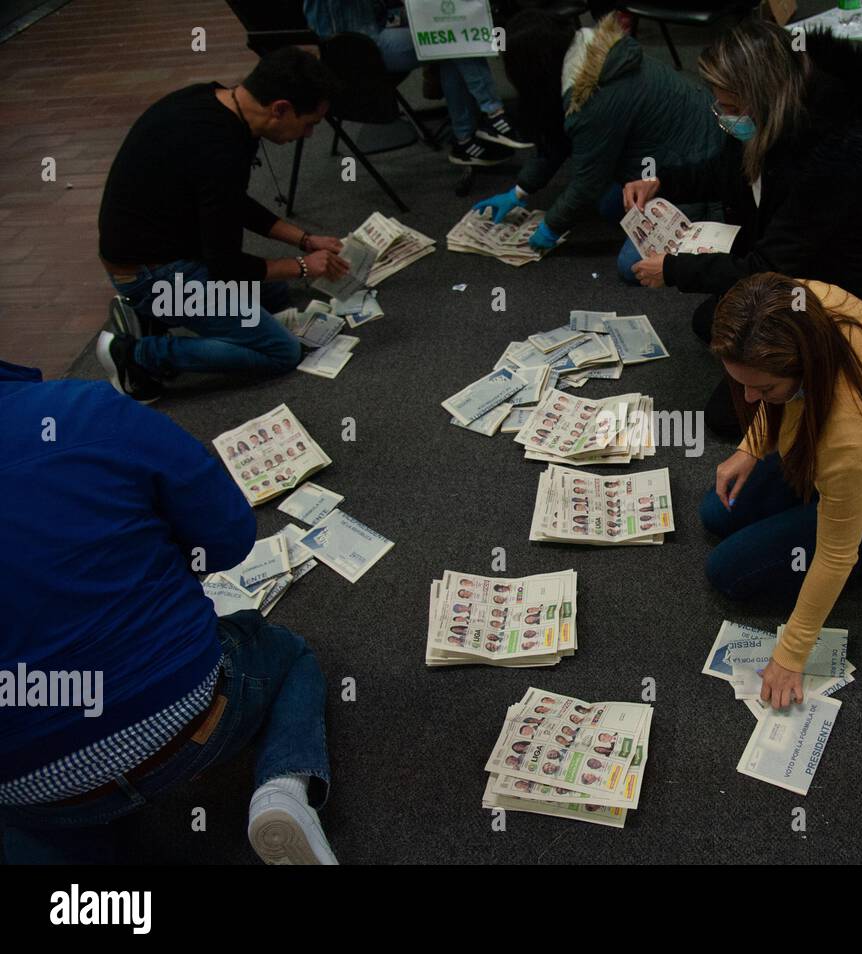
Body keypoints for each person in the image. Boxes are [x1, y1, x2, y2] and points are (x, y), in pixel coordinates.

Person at [0, 361, 335, 864]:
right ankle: (283, 788)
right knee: (287, 655)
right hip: (180, 712)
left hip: (23, 779)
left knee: (38, 827)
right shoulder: (86, 408)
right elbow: (229, 538)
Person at [622, 21, 862, 432]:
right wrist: (662, 182)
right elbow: (723, 173)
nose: (721, 114)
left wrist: (672, 269)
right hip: (775, 273)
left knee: (725, 421)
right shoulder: (762, 123)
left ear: (761, 96)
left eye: (728, 104)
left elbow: (769, 266)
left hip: (819, 296)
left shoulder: (827, 162)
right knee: (709, 321)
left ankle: (824, 376)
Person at [699, 274, 862, 711]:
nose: (751, 399)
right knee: (716, 512)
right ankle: (819, 495)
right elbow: (776, 405)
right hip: (830, 457)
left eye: (766, 389)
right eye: (743, 383)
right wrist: (750, 447)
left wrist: (791, 655)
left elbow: (835, 554)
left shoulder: (846, 436)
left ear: (802, 365)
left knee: (728, 574)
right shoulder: (803, 301)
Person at [96, 47, 350, 402]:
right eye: (309, 123)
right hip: (150, 274)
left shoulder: (214, 101)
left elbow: (232, 201)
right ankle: (136, 355)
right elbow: (226, 266)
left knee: (274, 293)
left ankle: (152, 316)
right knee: (282, 352)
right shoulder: (221, 149)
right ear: (280, 108)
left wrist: (305, 240)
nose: (307, 135)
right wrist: (303, 266)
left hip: (165, 250)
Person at [471, 11, 724, 274]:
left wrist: (551, 226)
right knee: (609, 206)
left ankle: (705, 222)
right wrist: (520, 191)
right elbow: (558, 140)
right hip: (672, 152)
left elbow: (587, 181)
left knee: (631, 266)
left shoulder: (595, 100)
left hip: (694, 170)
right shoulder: (590, 58)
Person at [303, 0, 529, 165]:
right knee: (454, 35)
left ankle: (466, 137)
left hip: (382, 21)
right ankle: (491, 114)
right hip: (355, 47)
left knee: (454, 27)